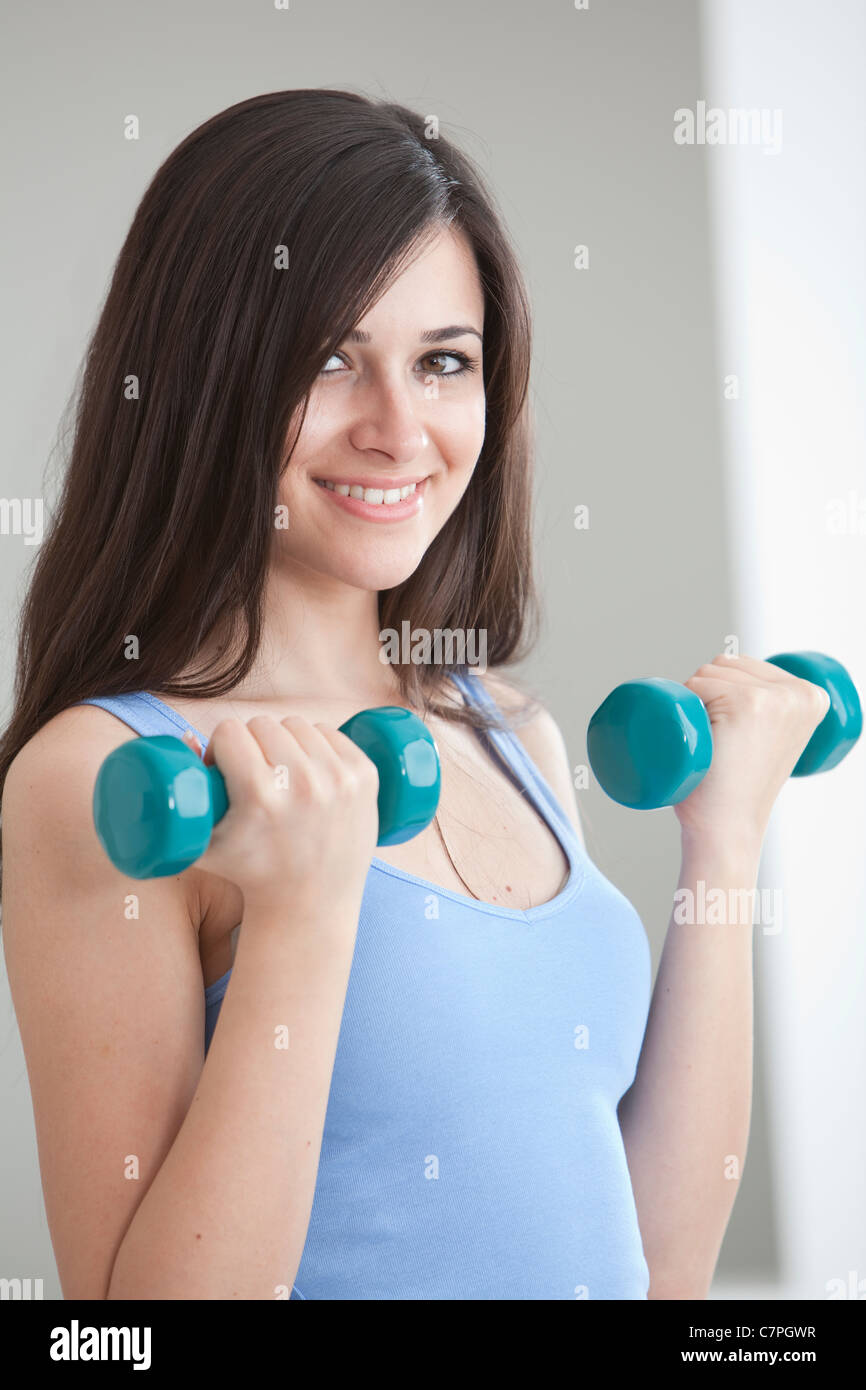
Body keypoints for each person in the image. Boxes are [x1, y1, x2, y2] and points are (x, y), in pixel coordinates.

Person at [0, 89, 829, 1301]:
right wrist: (298, 922)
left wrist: (726, 843)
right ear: (202, 376)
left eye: (443, 362)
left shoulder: (510, 735)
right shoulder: (107, 780)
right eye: (329, 358)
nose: (400, 429)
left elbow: (661, 1268)